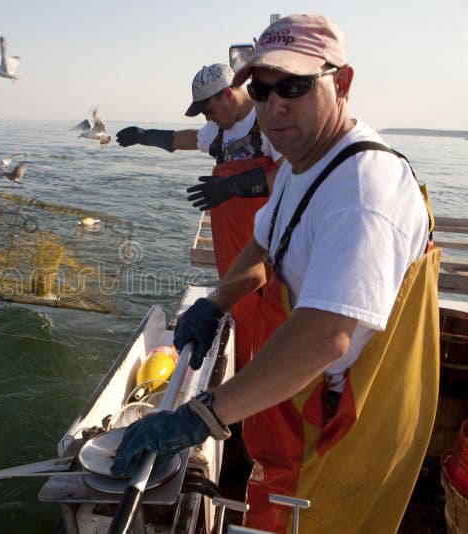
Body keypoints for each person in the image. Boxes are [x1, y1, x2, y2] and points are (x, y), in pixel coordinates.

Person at [111, 14, 439, 533]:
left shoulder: (363, 192)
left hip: (340, 407)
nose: (275, 104)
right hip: (297, 389)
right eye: (263, 91)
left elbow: (324, 338)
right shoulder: (299, 160)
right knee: (271, 485)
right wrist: (217, 302)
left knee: (312, 513)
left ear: (343, 82)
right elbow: (263, 242)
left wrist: (201, 417)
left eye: (295, 85)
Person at [117, 63, 283, 371]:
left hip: (268, 247)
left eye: (209, 111)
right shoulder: (219, 130)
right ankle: (244, 380)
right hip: (231, 250)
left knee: (272, 313)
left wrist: (235, 186)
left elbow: (289, 175)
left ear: (228, 95)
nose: (209, 120)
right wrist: (145, 136)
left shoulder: (271, 121)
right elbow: (188, 139)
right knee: (240, 313)